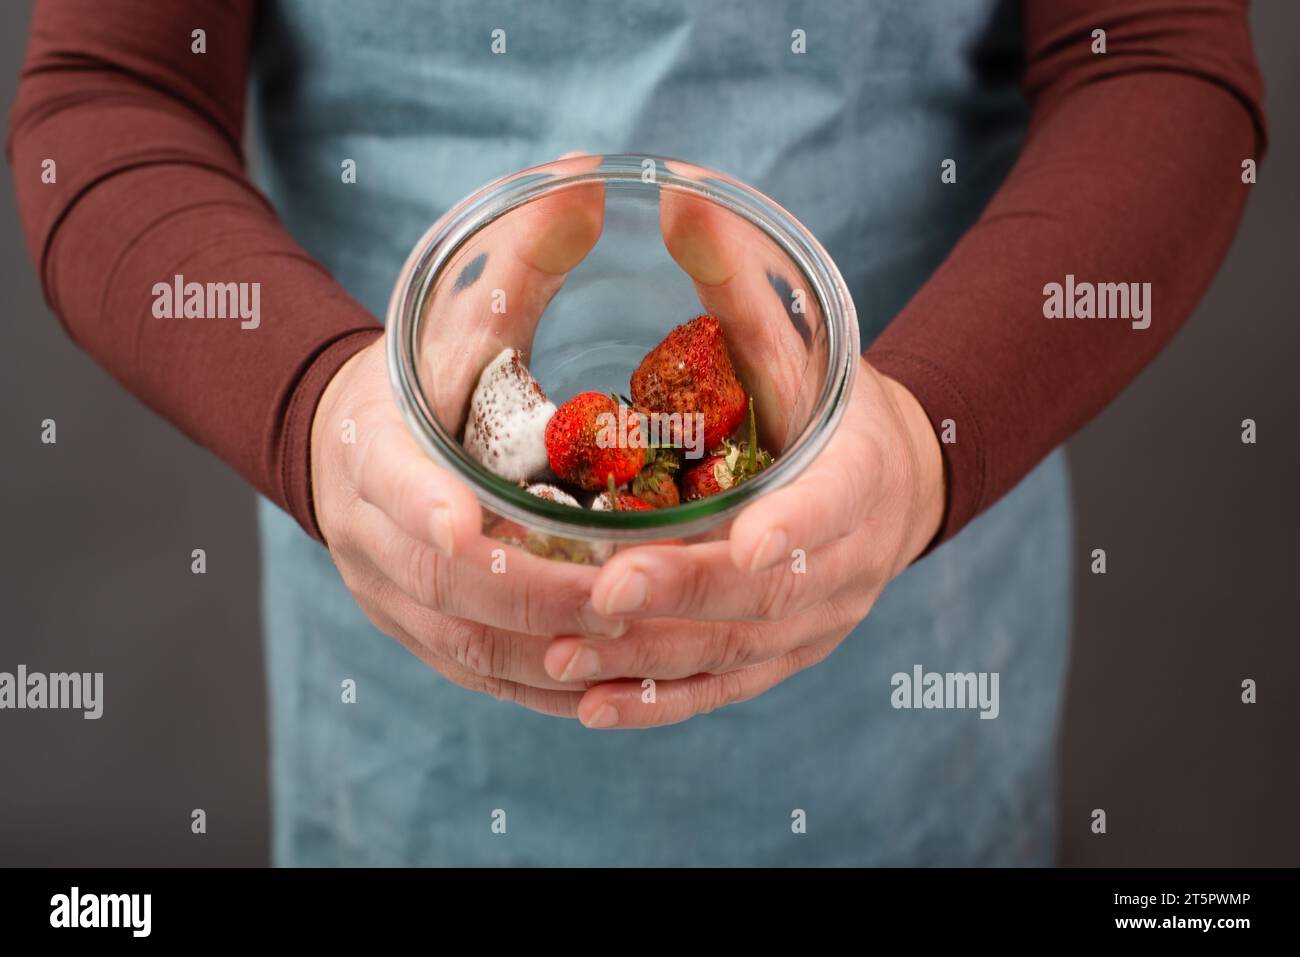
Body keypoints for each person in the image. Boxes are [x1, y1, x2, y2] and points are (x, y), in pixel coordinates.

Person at [8, 0, 1264, 865]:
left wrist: (926, 438)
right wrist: (318, 412)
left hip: (906, 697)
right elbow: (109, 88)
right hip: (409, 703)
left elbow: (1153, 54)